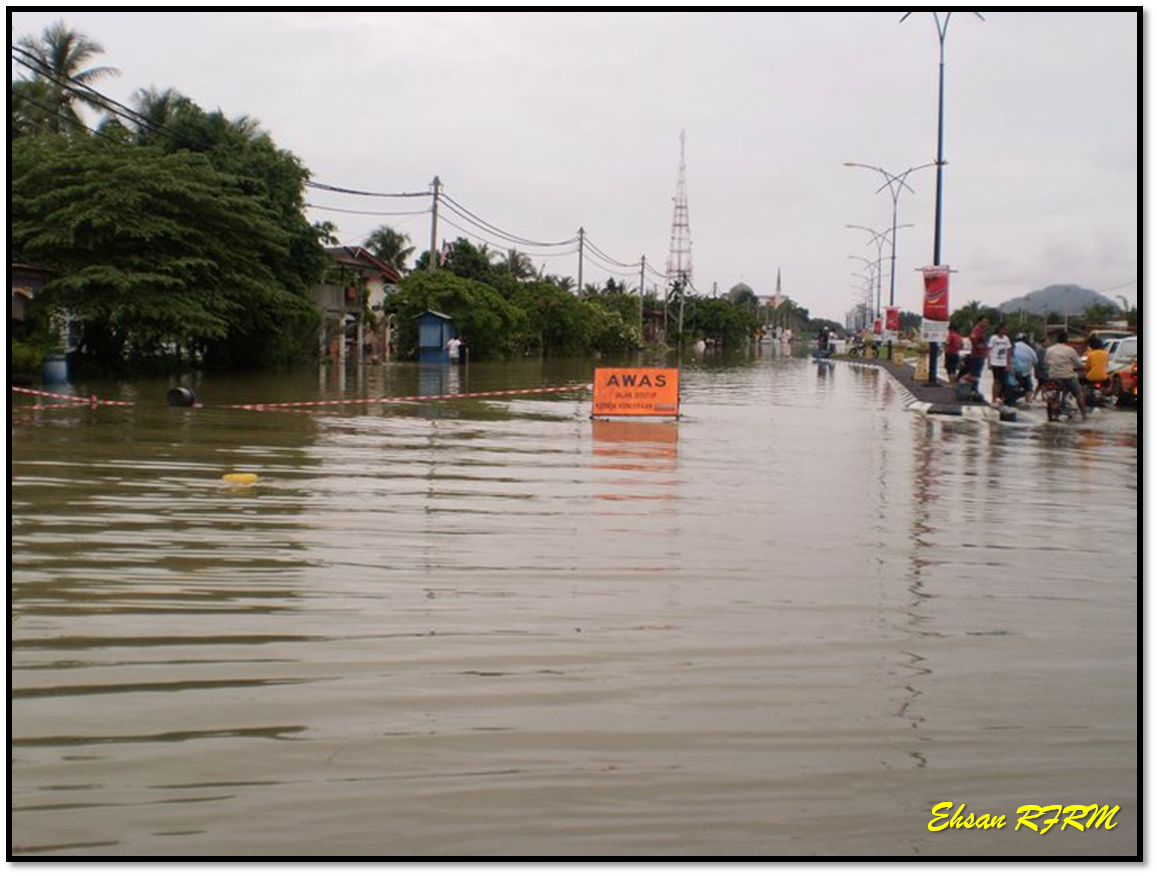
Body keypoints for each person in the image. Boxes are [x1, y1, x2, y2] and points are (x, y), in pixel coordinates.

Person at [1043, 330, 1087, 420]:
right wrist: (1082, 367)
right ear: (1066, 340)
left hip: (1052, 376)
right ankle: (1084, 415)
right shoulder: (1070, 350)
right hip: (1067, 376)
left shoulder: (1049, 350)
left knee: (1050, 393)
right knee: (1079, 395)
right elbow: (1078, 363)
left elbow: (1046, 362)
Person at [987, 323, 1013, 404]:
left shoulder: (1006, 339)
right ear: (1000, 329)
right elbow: (989, 350)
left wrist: (1009, 364)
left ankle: (998, 396)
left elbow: (1008, 351)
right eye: (1004, 329)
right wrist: (989, 362)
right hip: (995, 362)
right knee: (996, 380)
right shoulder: (994, 338)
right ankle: (993, 398)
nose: (1005, 331)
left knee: (1002, 381)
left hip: (1003, 363)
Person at [967, 316, 990, 400]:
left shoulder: (981, 330)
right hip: (977, 355)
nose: (986, 324)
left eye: (987, 322)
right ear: (979, 321)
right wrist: (977, 345)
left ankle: (973, 390)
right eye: (984, 322)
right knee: (975, 374)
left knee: (976, 373)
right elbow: (972, 337)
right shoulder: (978, 329)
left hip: (980, 355)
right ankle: (974, 391)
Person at [1011, 334, 1038, 403]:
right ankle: (1028, 399)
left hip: (1012, 370)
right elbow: (1035, 360)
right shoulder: (1029, 348)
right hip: (1025, 371)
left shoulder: (1012, 346)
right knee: (1029, 386)